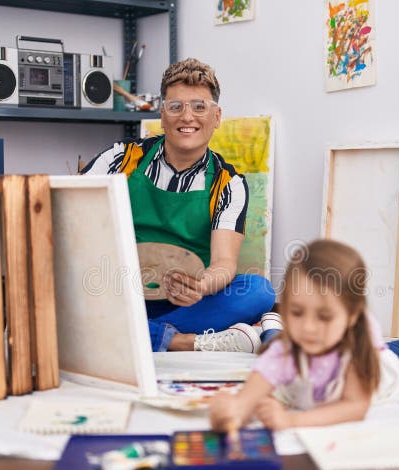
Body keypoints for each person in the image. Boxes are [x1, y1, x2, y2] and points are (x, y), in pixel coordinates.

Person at [83, 58, 275, 353]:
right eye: (176, 107)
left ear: (216, 116)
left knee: (258, 292)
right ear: (162, 115)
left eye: (199, 107)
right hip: (120, 292)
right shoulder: (120, 159)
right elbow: (72, 214)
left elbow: (224, 263)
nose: (187, 117)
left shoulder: (228, 183)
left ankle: (134, 333)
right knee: (66, 284)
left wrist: (201, 285)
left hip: (187, 303)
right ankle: (183, 340)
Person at [208, 239, 399, 431]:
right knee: (276, 343)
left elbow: (354, 407)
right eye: (296, 312)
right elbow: (246, 399)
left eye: (324, 317)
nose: (308, 327)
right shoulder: (287, 349)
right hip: (307, 347)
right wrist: (232, 411)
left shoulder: (355, 353)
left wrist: (291, 420)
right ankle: (274, 328)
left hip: (379, 364)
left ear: (351, 317)